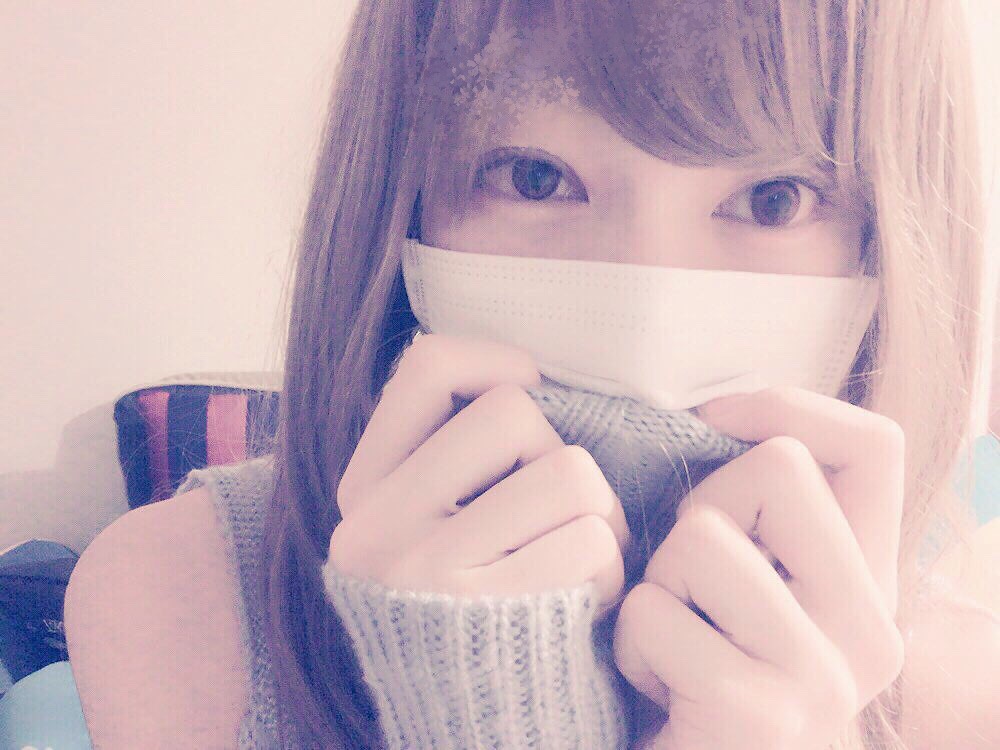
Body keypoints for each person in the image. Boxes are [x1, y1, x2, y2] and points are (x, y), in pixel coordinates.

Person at [63, 0, 999, 748]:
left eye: (773, 199)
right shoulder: (180, 596)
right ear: (401, 210)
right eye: (533, 177)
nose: (643, 306)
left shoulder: (964, 691)